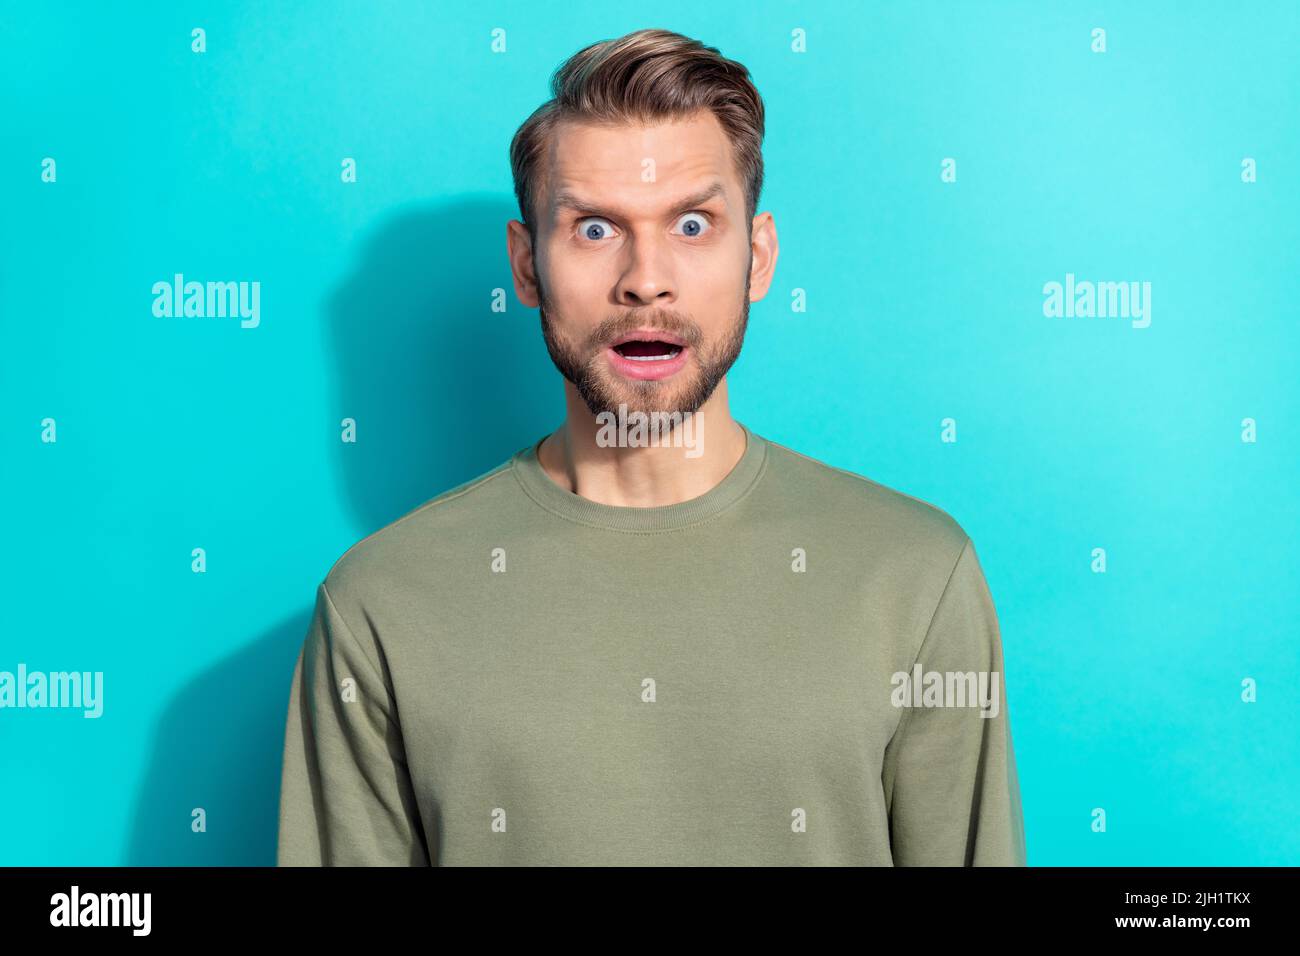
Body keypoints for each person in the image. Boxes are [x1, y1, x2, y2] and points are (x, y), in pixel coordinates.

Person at [276, 27, 1026, 866]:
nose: (645, 278)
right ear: (526, 267)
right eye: (595, 230)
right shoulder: (378, 606)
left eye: (695, 224)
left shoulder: (917, 577)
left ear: (760, 256)